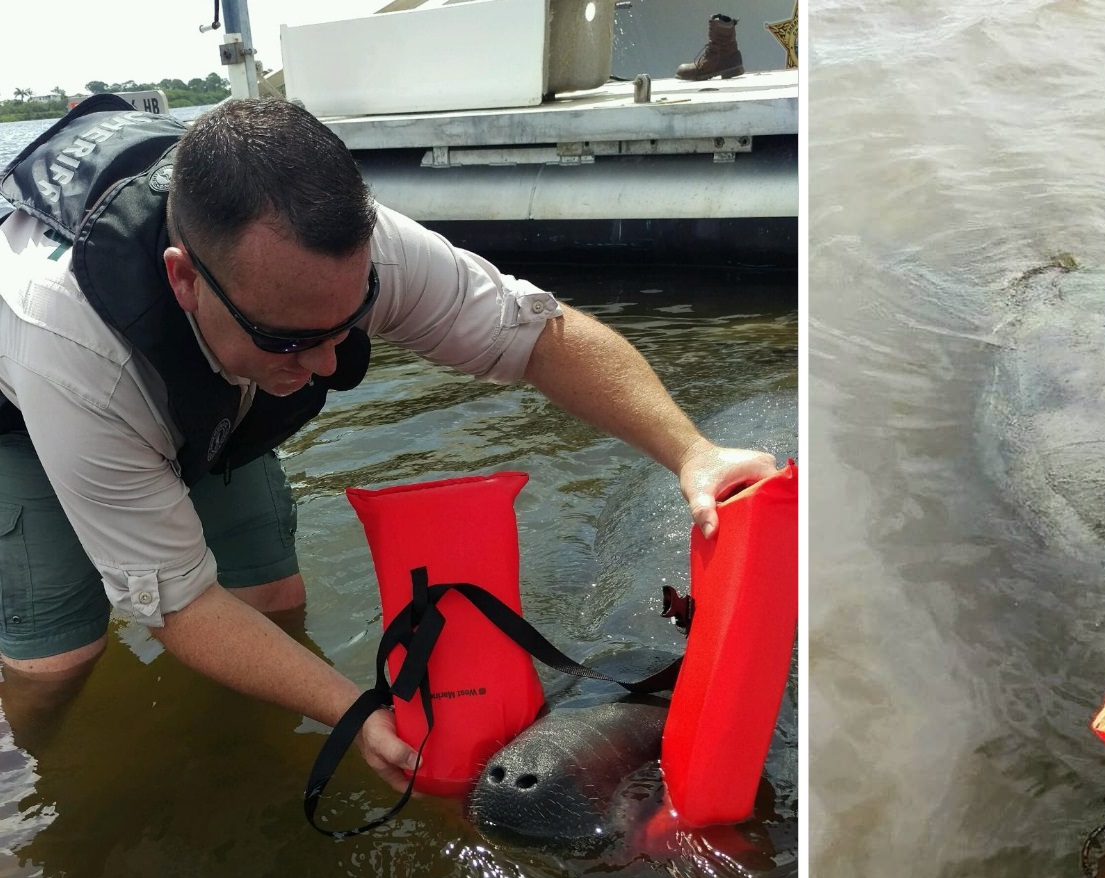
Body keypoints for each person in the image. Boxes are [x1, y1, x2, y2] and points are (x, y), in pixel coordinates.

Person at [0, 96, 777, 790]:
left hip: (215, 393)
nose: (327, 366)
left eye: (348, 323)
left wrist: (691, 451)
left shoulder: (355, 257)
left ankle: (248, 753)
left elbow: (540, 337)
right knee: (58, 661)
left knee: (273, 600)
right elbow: (179, 605)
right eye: (289, 338)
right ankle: (38, 785)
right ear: (185, 280)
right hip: (32, 416)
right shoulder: (72, 349)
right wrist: (355, 709)